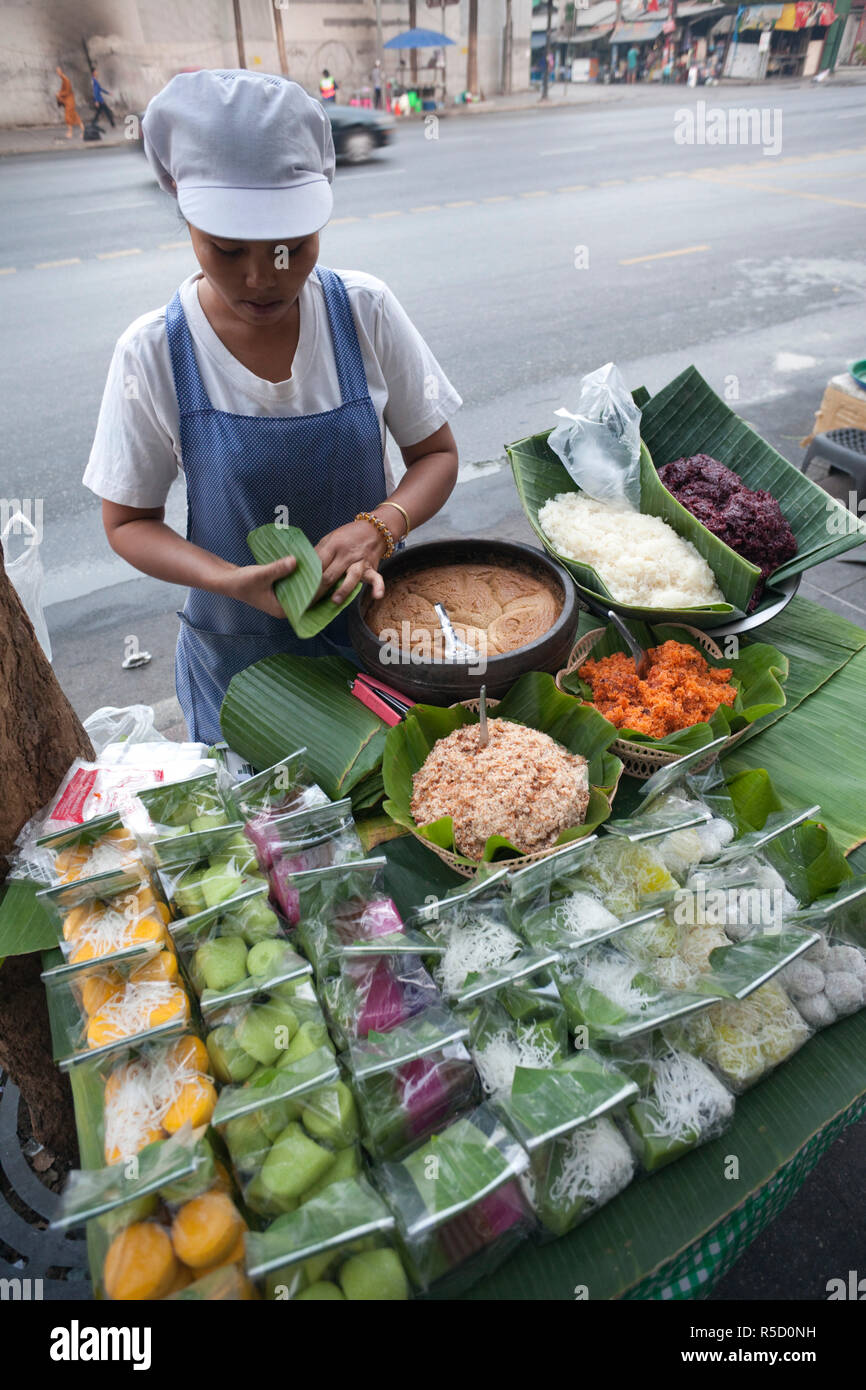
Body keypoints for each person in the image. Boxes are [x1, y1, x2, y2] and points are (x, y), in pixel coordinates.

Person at [83, 71, 461, 743]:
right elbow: (128, 522)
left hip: (374, 654)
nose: (263, 277)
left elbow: (435, 454)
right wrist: (229, 579)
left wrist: (382, 524)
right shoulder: (155, 352)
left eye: (293, 247)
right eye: (227, 250)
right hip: (239, 674)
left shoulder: (363, 310)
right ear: (181, 207)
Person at [55, 66, 83, 138]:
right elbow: (65, 91)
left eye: (58, 71)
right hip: (68, 101)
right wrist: (59, 94)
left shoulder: (66, 80)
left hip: (69, 101)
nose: (57, 73)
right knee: (74, 116)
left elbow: (67, 91)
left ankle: (70, 132)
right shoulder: (64, 79)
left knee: (68, 116)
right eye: (57, 71)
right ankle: (83, 130)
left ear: (61, 71)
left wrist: (59, 94)